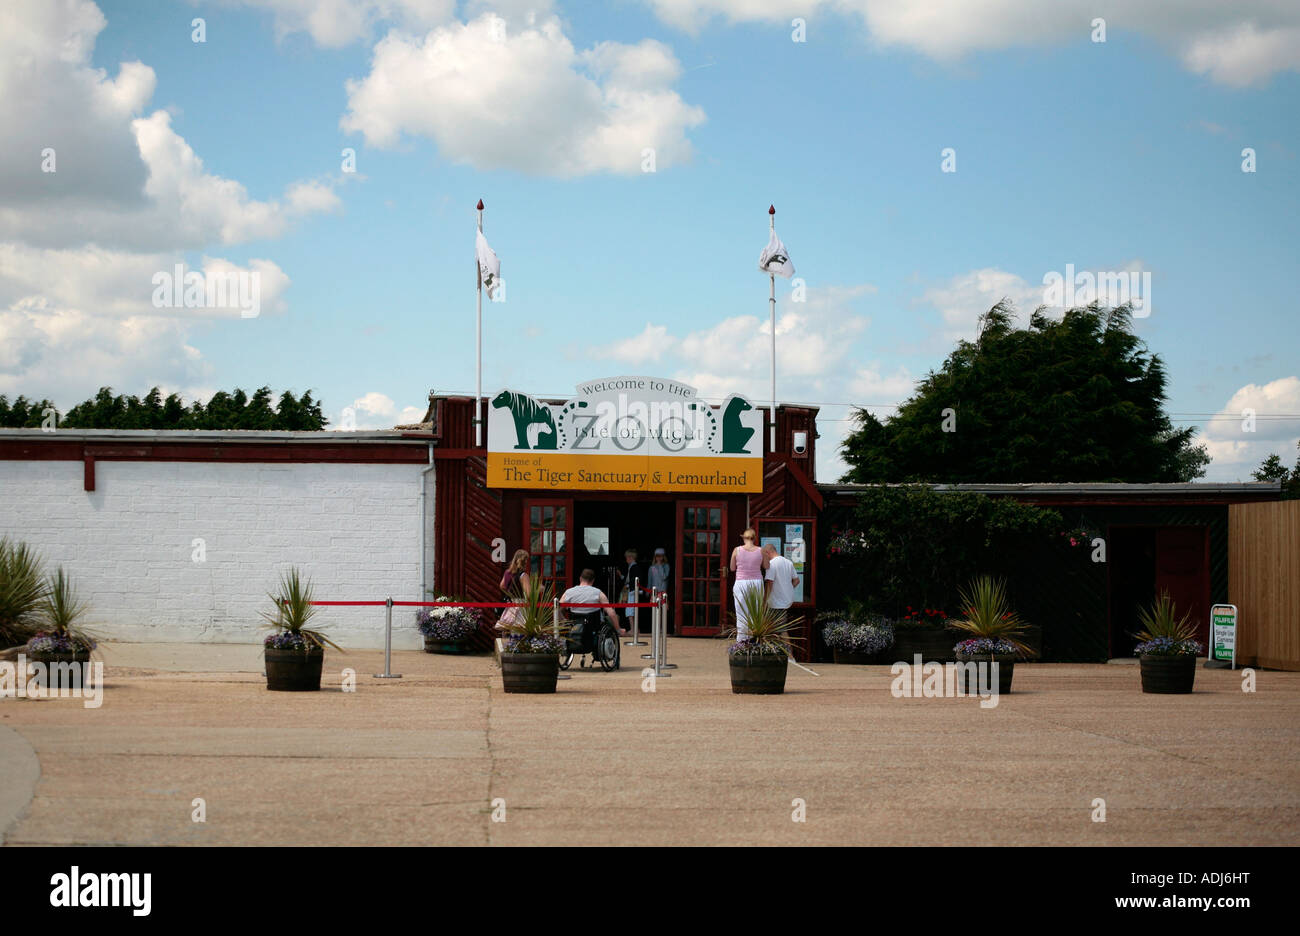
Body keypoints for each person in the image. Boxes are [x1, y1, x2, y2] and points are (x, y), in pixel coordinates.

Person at [560, 568, 626, 636]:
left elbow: (557, 610)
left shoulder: (569, 592)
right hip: (595, 626)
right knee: (615, 617)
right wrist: (618, 629)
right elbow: (611, 612)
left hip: (575, 625)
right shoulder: (598, 593)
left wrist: (564, 621)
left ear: (580, 578)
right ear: (593, 580)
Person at [729, 529, 767, 639]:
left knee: (741, 611)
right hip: (756, 582)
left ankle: (741, 640)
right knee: (755, 611)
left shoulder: (737, 550)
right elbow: (766, 566)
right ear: (754, 538)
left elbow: (732, 568)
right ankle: (754, 639)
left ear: (744, 538)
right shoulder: (761, 550)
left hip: (741, 582)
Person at [496, 549, 530, 629]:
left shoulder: (507, 572)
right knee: (521, 630)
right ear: (525, 561)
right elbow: (529, 595)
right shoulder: (524, 575)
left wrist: (510, 594)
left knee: (510, 630)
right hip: (521, 606)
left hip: (511, 604)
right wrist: (538, 589)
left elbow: (502, 586)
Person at [762, 543, 800, 610]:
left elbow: (769, 583)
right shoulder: (788, 562)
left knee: (776, 621)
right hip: (788, 602)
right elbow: (796, 580)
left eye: (764, 556)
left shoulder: (771, 564)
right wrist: (788, 589)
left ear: (767, 553)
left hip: (775, 604)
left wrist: (764, 601)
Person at [616, 547, 644, 632]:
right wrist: (621, 576)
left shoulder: (634, 567)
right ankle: (635, 628)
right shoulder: (632, 567)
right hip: (632, 590)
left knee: (630, 610)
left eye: (627, 557)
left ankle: (633, 629)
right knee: (631, 609)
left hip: (632, 591)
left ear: (631, 557)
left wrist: (628, 586)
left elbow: (634, 579)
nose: (626, 559)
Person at [648, 547, 671, 633]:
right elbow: (650, 580)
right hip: (654, 592)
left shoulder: (666, 566)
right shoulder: (651, 568)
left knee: (662, 611)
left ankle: (662, 628)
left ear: (663, 557)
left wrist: (660, 565)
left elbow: (664, 577)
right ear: (655, 557)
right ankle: (655, 628)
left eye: (661, 556)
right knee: (654, 611)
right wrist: (648, 591)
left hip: (663, 592)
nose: (659, 558)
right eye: (657, 556)